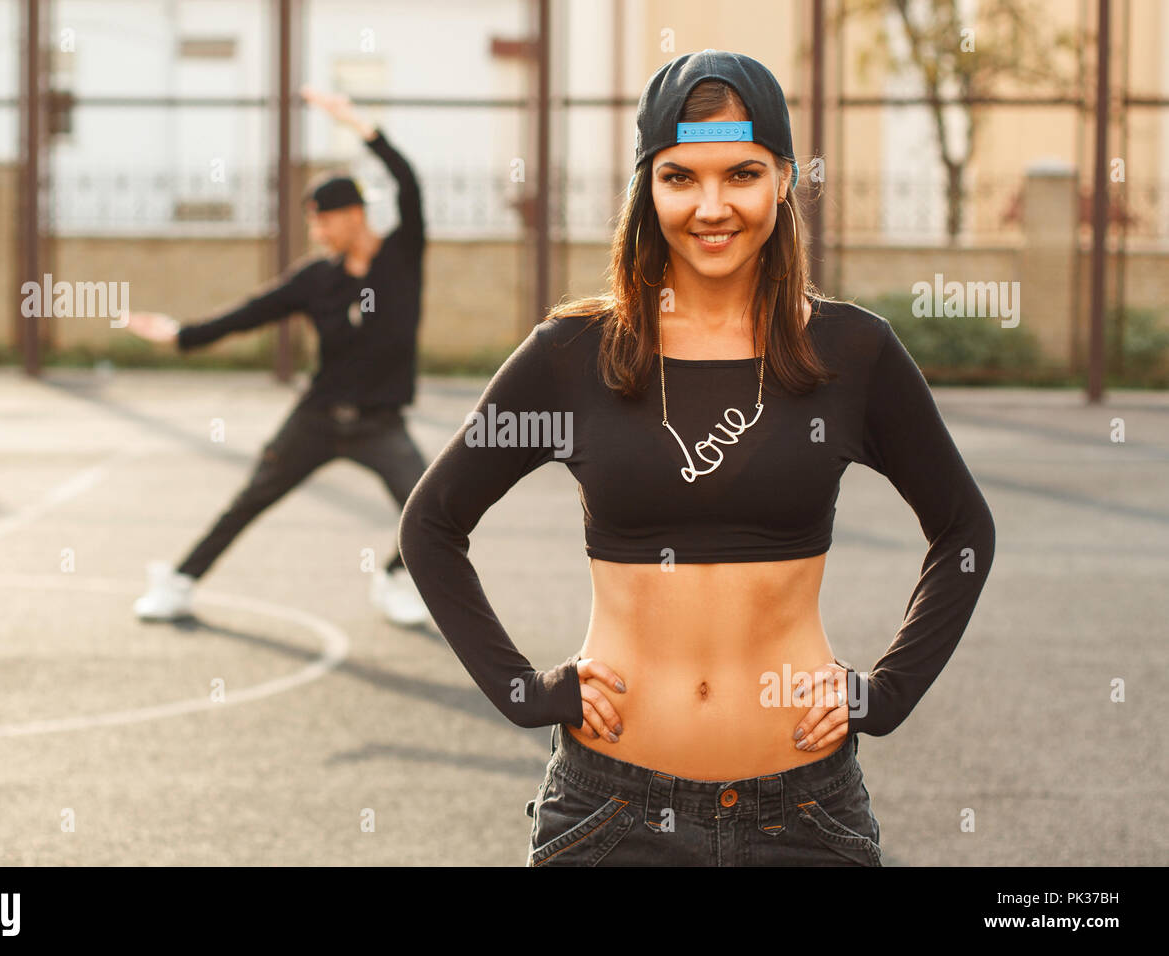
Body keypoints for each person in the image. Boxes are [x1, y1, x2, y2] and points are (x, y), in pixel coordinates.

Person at [396, 49, 995, 866]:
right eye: (680, 177)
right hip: (613, 812)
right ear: (648, 185)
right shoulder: (575, 354)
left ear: (785, 178)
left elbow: (963, 529)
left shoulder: (852, 352)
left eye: (742, 174)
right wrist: (523, 690)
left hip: (806, 814)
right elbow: (431, 524)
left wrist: (884, 694)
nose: (712, 207)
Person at [126, 86, 431, 627]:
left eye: (322, 220)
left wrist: (360, 125)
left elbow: (407, 181)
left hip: (380, 423)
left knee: (435, 508)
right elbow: (251, 312)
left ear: (354, 215)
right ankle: (178, 582)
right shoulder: (318, 279)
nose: (316, 232)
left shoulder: (402, 258)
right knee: (251, 498)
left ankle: (394, 577)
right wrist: (181, 336)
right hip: (317, 419)